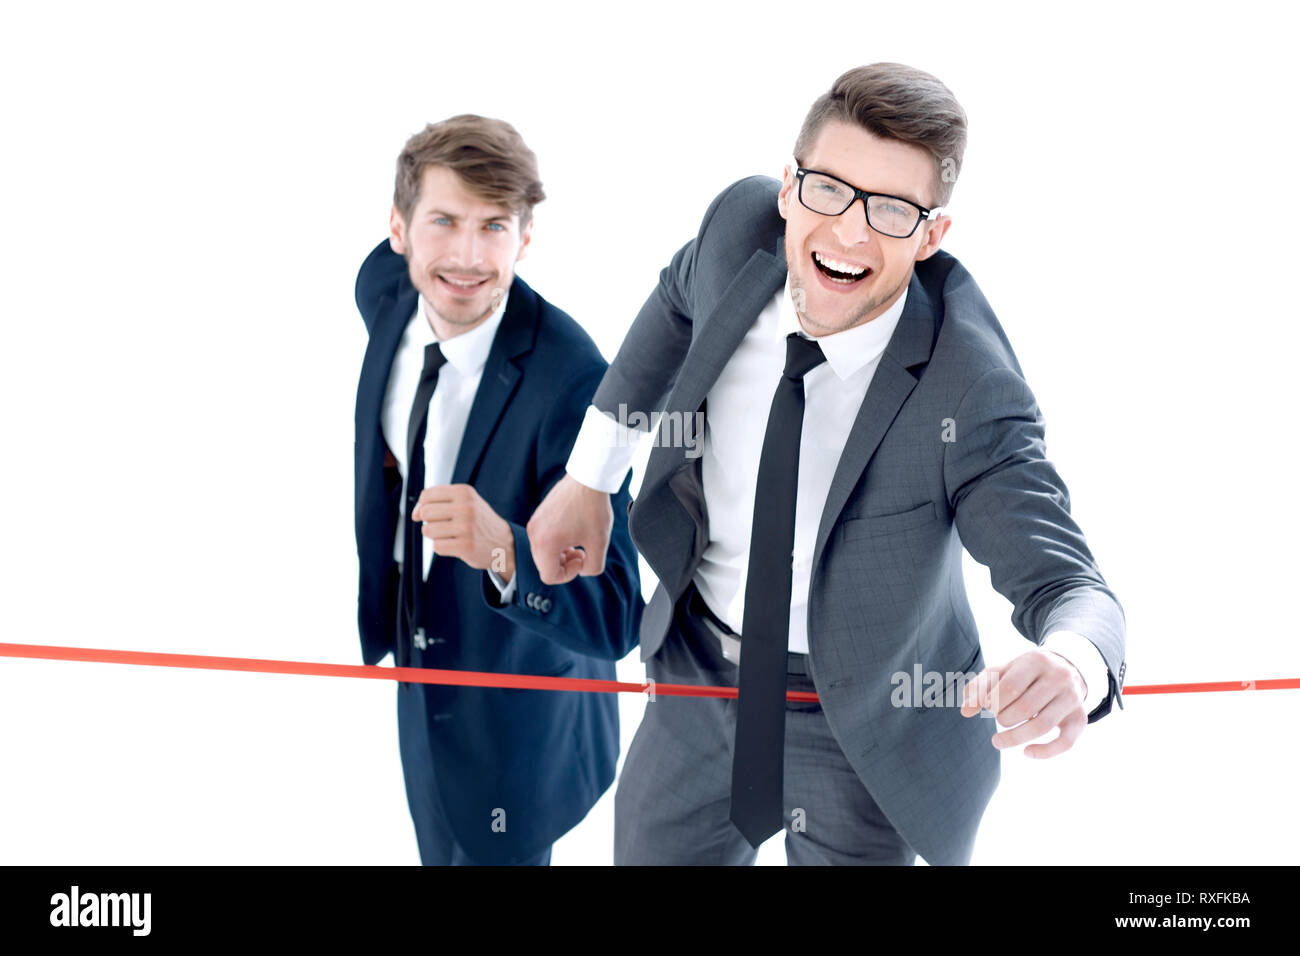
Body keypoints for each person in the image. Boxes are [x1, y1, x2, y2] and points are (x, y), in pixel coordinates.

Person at [525, 63, 1126, 865]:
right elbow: (675, 303)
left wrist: (1073, 666)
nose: (848, 232)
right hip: (700, 674)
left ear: (932, 234)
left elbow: (1071, 587)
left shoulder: (968, 388)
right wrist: (589, 476)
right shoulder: (737, 234)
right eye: (829, 190)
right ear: (787, 188)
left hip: (866, 724)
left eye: (891, 210)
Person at [352, 114, 642, 865]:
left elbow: (616, 615)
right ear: (399, 229)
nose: (467, 257)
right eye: (443, 222)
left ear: (525, 237)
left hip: (517, 723)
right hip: (421, 679)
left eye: (494, 227)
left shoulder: (575, 384)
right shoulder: (385, 292)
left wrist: (503, 549)